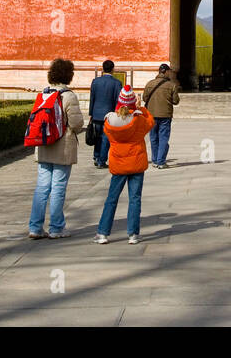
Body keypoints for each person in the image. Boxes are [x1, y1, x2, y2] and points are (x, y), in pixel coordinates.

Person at [28, 57, 85, 239]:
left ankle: (35, 227)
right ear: (69, 75)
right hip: (62, 148)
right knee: (58, 187)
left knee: (42, 188)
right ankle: (56, 228)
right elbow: (76, 124)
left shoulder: (43, 95)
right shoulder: (69, 96)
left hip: (44, 146)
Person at [94, 84, 153, 244]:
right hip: (136, 163)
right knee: (135, 199)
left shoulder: (110, 122)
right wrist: (141, 108)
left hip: (119, 164)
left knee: (112, 199)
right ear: (133, 102)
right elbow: (151, 122)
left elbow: (107, 132)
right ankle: (133, 234)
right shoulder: (139, 120)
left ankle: (102, 233)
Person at [142, 62, 179, 169]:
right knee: (163, 138)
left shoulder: (149, 83)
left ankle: (154, 160)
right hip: (165, 115)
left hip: (151, 115)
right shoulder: (172, 85)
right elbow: (176, 101)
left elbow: (145, 98)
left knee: (153, 137)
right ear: (166, 72)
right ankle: (161, 161)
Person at [89, 60, 122, 168]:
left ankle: (96, 156)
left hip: (96, 113)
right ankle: (101, 160)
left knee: (97, 136)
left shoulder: (95, 81)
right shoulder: (117, 83)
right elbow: (118, 100)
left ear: (103, 69)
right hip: (109, 114)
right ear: (113, 69)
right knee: (105, 138)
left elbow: (92, 98)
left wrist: (91, 113)